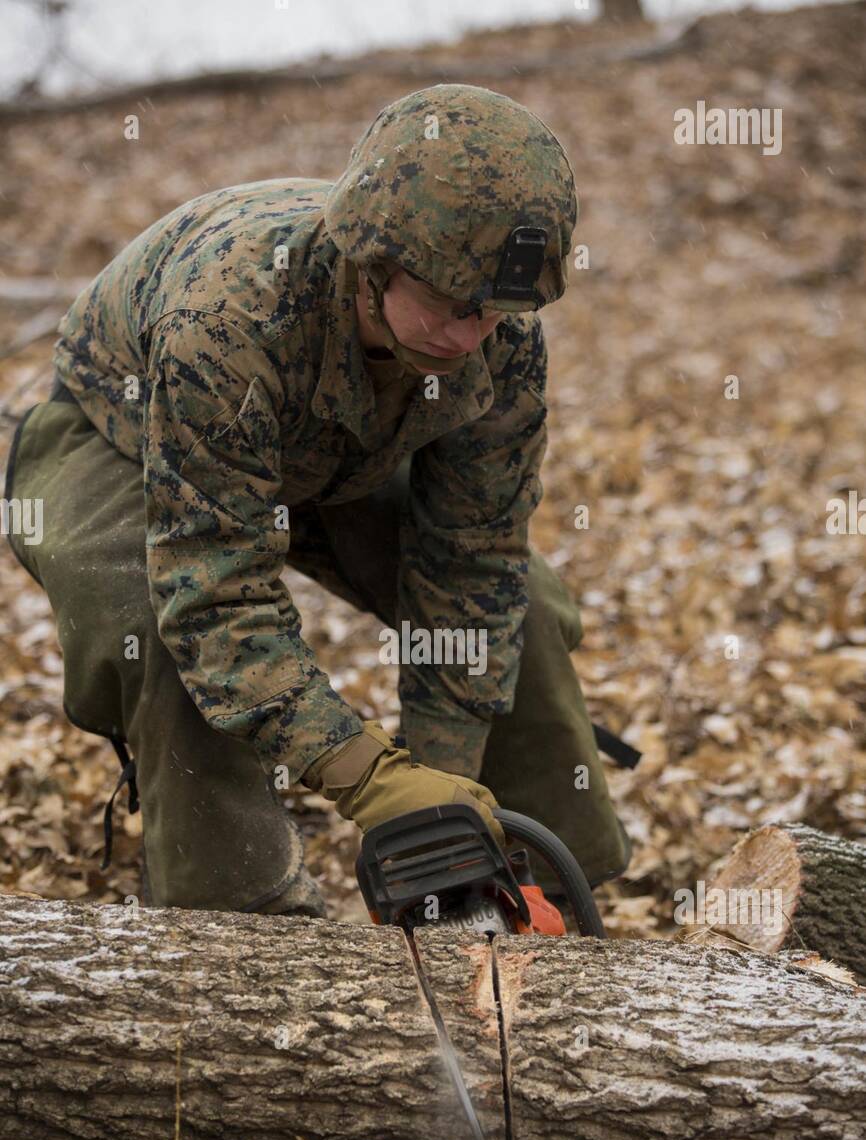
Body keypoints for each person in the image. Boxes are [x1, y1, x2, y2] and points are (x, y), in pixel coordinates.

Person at [4, 83, 633, 919]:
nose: (472, 334)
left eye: (493, 311)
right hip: (120, 433)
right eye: (451, 304)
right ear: (375, 259)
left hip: (339, 452)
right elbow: (217, 602)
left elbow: (472, 564)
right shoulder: (226, 321)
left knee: (524, 609)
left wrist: (444, 803)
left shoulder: (497, 334)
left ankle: (541, 882)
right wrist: (373, 782)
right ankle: (242, 927)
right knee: (154, 627)